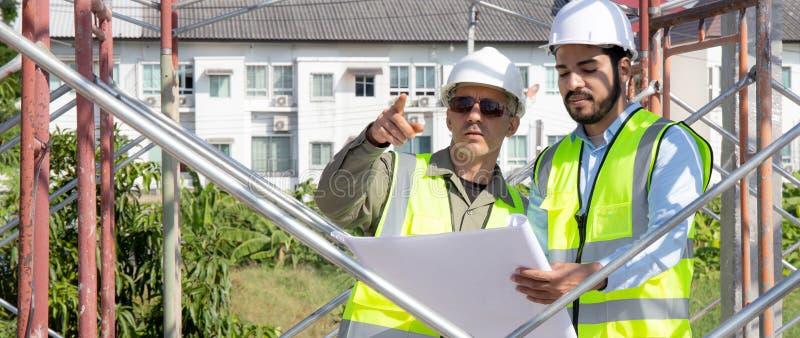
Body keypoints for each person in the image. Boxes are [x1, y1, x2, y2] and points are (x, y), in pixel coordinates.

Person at [510, 0, 712, 337]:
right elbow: (536, 252)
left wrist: (595, 274)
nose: (573, 83)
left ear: (623, 69)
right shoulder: (551, 161)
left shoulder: (666, 144)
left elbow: (667, 240)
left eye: (588, 69)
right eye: (562, 72)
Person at [315, 46, 528, 337]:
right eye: (463, 105)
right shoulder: (395, 172)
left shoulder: (523, 214)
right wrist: (373, 141)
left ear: (512, 124)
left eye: (491, 108)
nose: (475, 116)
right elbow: (332, 204)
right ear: (449, 118)